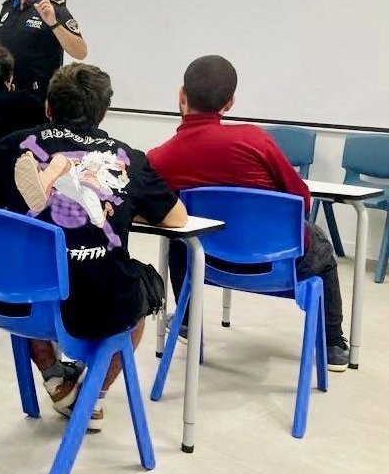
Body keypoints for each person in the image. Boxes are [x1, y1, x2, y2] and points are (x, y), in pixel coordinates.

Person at [0, 63, 186, 431]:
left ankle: (56, 379)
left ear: (48, 106)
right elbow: (177, 219)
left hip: (14, 299)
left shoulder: (13, 144)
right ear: (104, 112)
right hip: (96, 307)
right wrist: (128, 206)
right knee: (146, 287)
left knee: (35, 270)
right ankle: (92, 394)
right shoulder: (127, 156)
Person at [146, 54, 349, 371]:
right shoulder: (254, 139)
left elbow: (157, 208)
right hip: (277, 264)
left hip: (207, 263)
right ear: (229, 102)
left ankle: (186, 321)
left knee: (179, 236)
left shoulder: (160, 158)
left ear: (182, 95)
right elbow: (301, 200)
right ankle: (333, 344)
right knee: (319, 242)